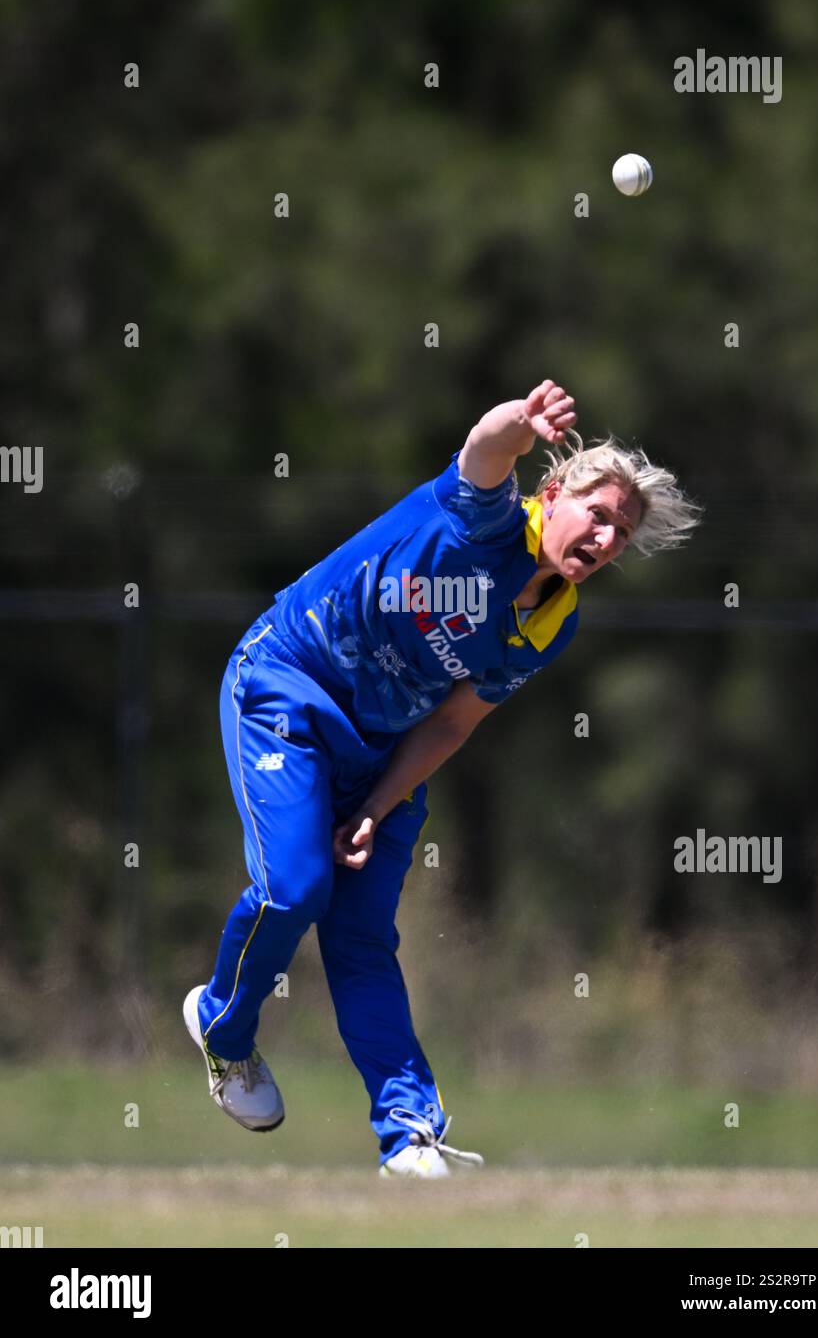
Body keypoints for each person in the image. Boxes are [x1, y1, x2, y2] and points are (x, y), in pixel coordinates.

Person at [183, 379, 702, 1178]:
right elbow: (484, 448)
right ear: (553, 492)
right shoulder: (484, 517)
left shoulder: (548, 618)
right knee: (295, 889)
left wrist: (379, 804)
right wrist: (522, 423)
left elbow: (455, 721)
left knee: (361, 938)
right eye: (597, 514)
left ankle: (409, 1138)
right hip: (287, 684)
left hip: (381, 751)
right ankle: (223, 1025)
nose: (604, 538)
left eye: (621, 535)